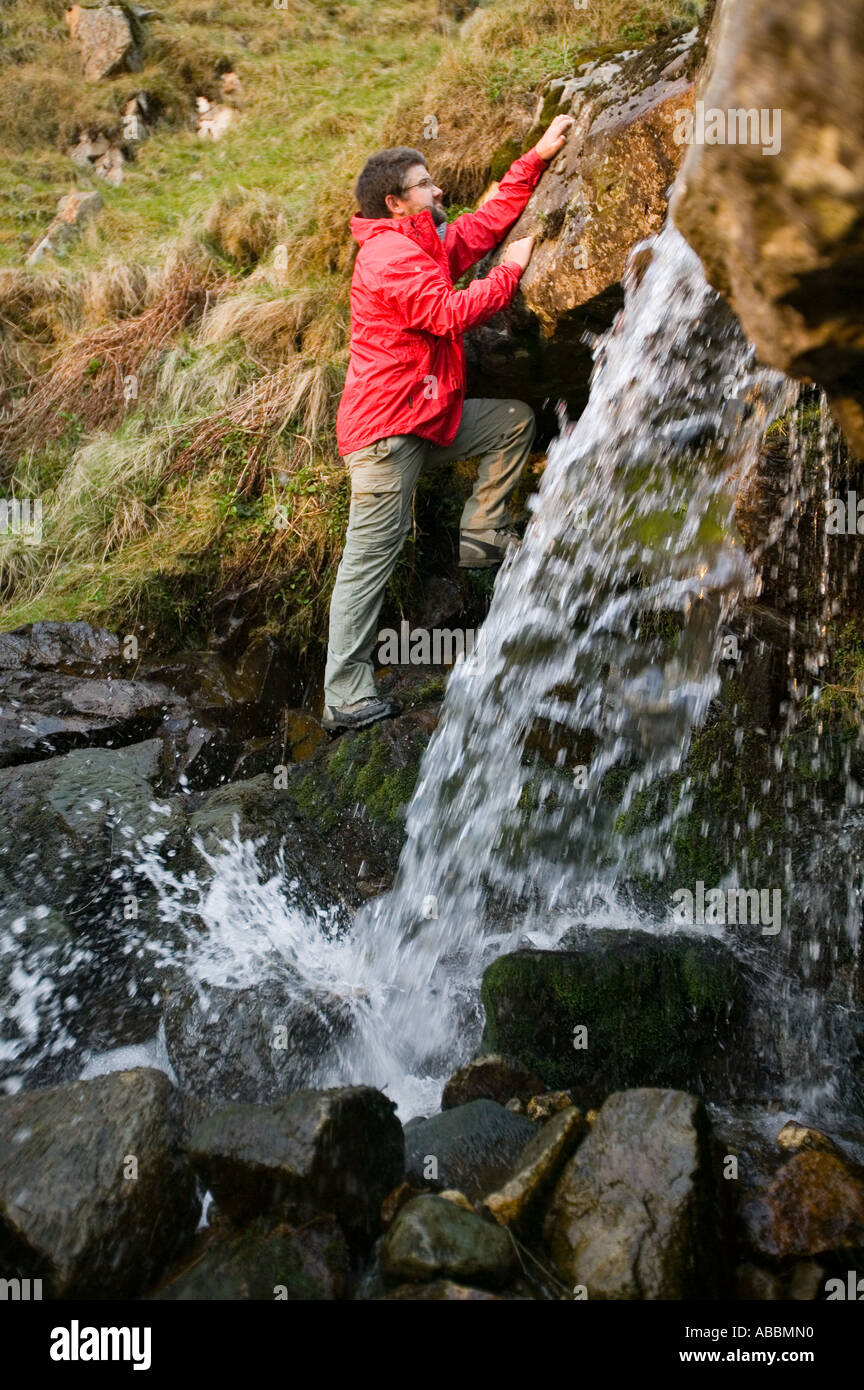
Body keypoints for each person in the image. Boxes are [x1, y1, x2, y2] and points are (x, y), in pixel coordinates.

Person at [322, 113, 574, 733]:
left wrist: (536, 157)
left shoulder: (421, 242)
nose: (439, 191)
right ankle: (342, 697)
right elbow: (448, 314)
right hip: (385, 437)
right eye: (426, 184)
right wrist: (509, 272)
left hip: (424, 421)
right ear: (395, 200)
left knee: (512, 422)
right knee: (368, 560)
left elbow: (484, 224)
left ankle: (482, 543)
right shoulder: (387, 257)